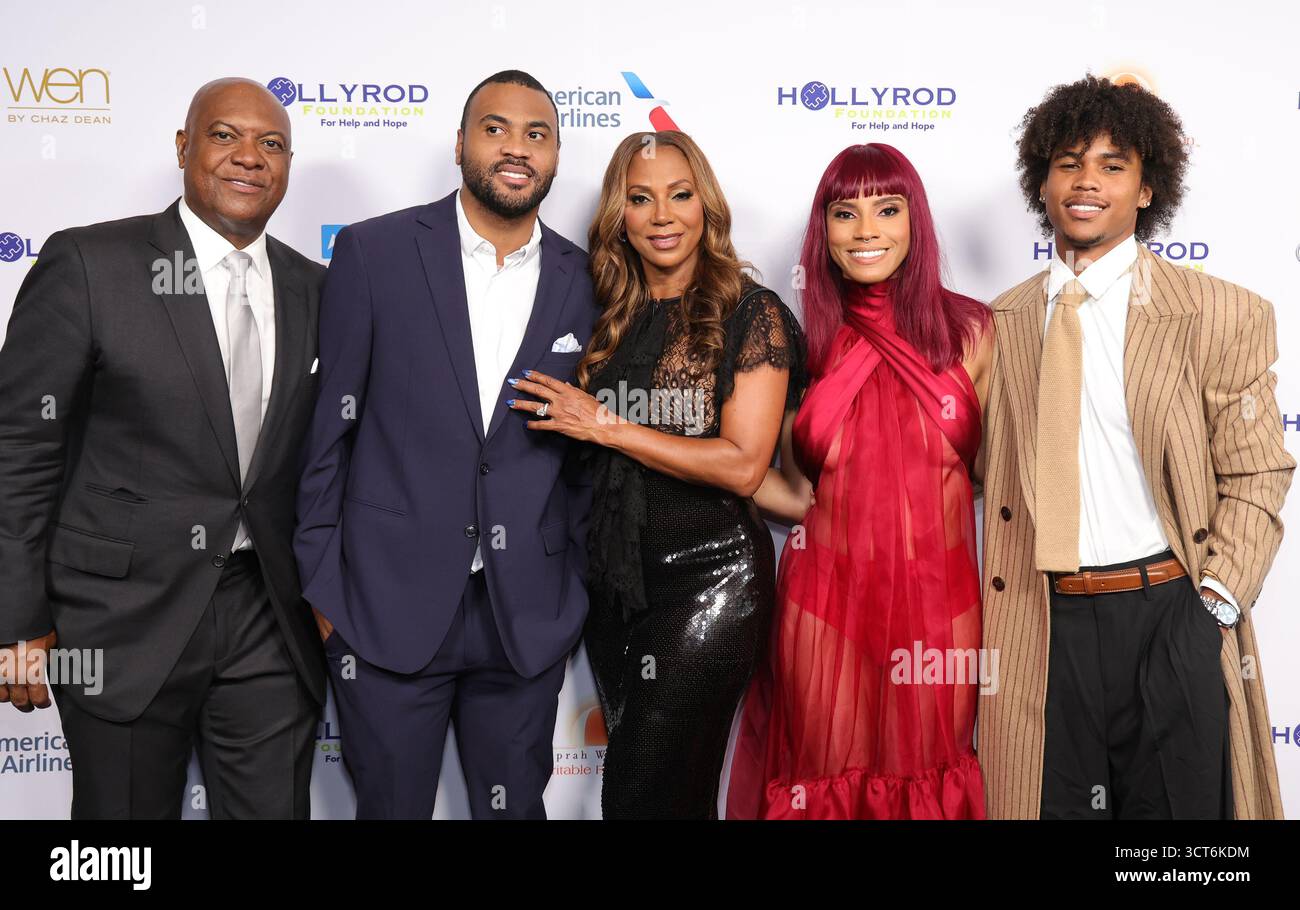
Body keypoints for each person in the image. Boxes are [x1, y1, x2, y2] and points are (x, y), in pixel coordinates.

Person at [0, 78, 325, 818]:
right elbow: (19, 446)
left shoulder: (317, 288)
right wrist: (16, 622)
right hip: (121, 616)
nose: (250, 157)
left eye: (272, 144)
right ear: (184, 147)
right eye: (225, 135)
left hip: (268, 614)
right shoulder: (91, 264)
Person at [979, 75, 1293, 819]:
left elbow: (1257, 472)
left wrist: (1209, 606)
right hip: (1040, 622)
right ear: (1042, 182)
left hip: (1168, 613)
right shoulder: (999, 323)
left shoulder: (1218, 312)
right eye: (1067, 163)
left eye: (1112, 166)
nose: (1086, 182)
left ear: (1147, 189)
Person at [294, 70, 599, 819]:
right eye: (496, 129)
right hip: (383, 607)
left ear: (556, 156)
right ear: (462, 143)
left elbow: (590, 463)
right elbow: (328, 427)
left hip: (522, 616)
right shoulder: (376, 253)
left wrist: (572, 593)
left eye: (537, 134)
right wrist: (324, 589)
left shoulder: (588, 279)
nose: (516, 149)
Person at [507, 130, 806, 818]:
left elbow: (741, 465)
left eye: (680, 195)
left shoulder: (750, 312)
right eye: (641, 199)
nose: (663, 215)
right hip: (614, 587)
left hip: (711, 582)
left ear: (707, 205)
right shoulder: (605, 313)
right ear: (620, 216)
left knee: (643, 793)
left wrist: (604, 424)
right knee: (671, 794)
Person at [727, 143, 993, 819]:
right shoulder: (798, 339)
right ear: (824, 232)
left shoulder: (975, 331)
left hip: (941, 604)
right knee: (823, 777)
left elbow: (997, 477)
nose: (867, 228)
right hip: (824, 606)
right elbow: (762, 473)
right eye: (845, 213)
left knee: (928, 773)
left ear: (916, 220)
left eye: (887, 208)